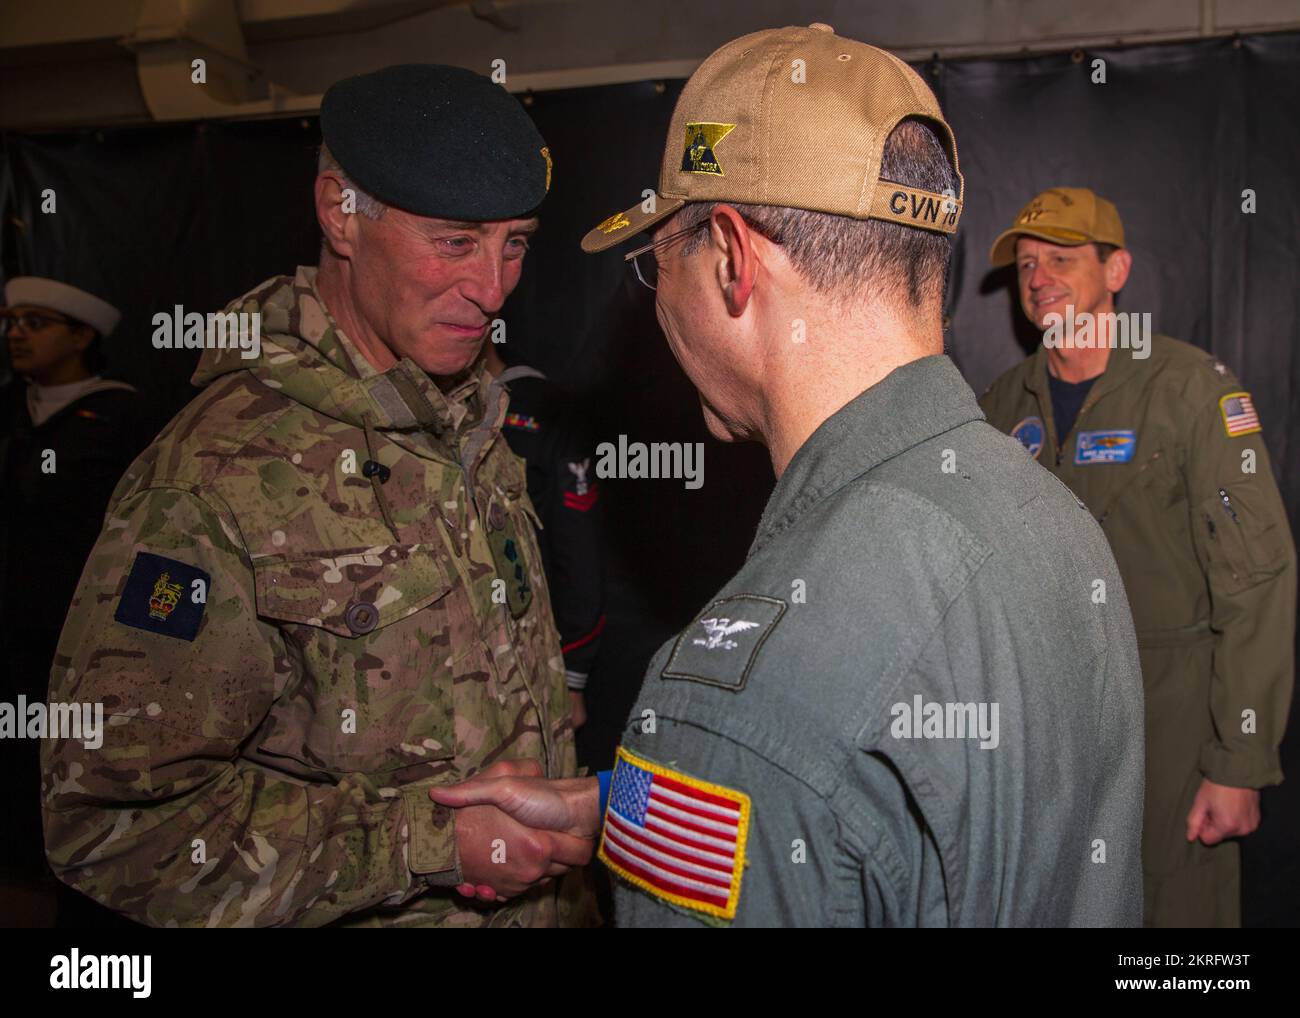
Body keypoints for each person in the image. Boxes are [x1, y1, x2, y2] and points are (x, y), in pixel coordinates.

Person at [431, 24, 1146, 926]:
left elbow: (795, 750)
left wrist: (698, 770)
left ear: (732, 258)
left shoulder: (737, 688)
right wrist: (633, 807)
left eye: (660, 266)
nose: (657, 304)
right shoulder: (1050, 518)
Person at [40, 64, 592, 928]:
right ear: (341, 213)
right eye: (455, 242)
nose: (492, 290)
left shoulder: (469, 417)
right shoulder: (211, 476)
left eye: (515, 243)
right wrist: (425, 843)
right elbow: (113, 824)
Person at [978, 187, 1296, 927]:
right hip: (1045, 734)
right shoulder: (1001, 407)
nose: (1039, 278)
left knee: (1176, 933)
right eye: (1027, 264)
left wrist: (1238, 762)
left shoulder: (1187, 392)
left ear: (1115, 270)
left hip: (1171, 726)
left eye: (1062, 258)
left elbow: (1256, 581)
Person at [0, 277, 146, 925]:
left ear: (82, 335)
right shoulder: (8, 409)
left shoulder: (120, 417)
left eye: (36, 322)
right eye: (11, 321)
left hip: (81, 635)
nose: (16, 334)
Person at [483, 342, 606, 730]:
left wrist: (572, 674)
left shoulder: (547, 408)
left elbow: (579, 552)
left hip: (531, 656)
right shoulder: (415, 408)